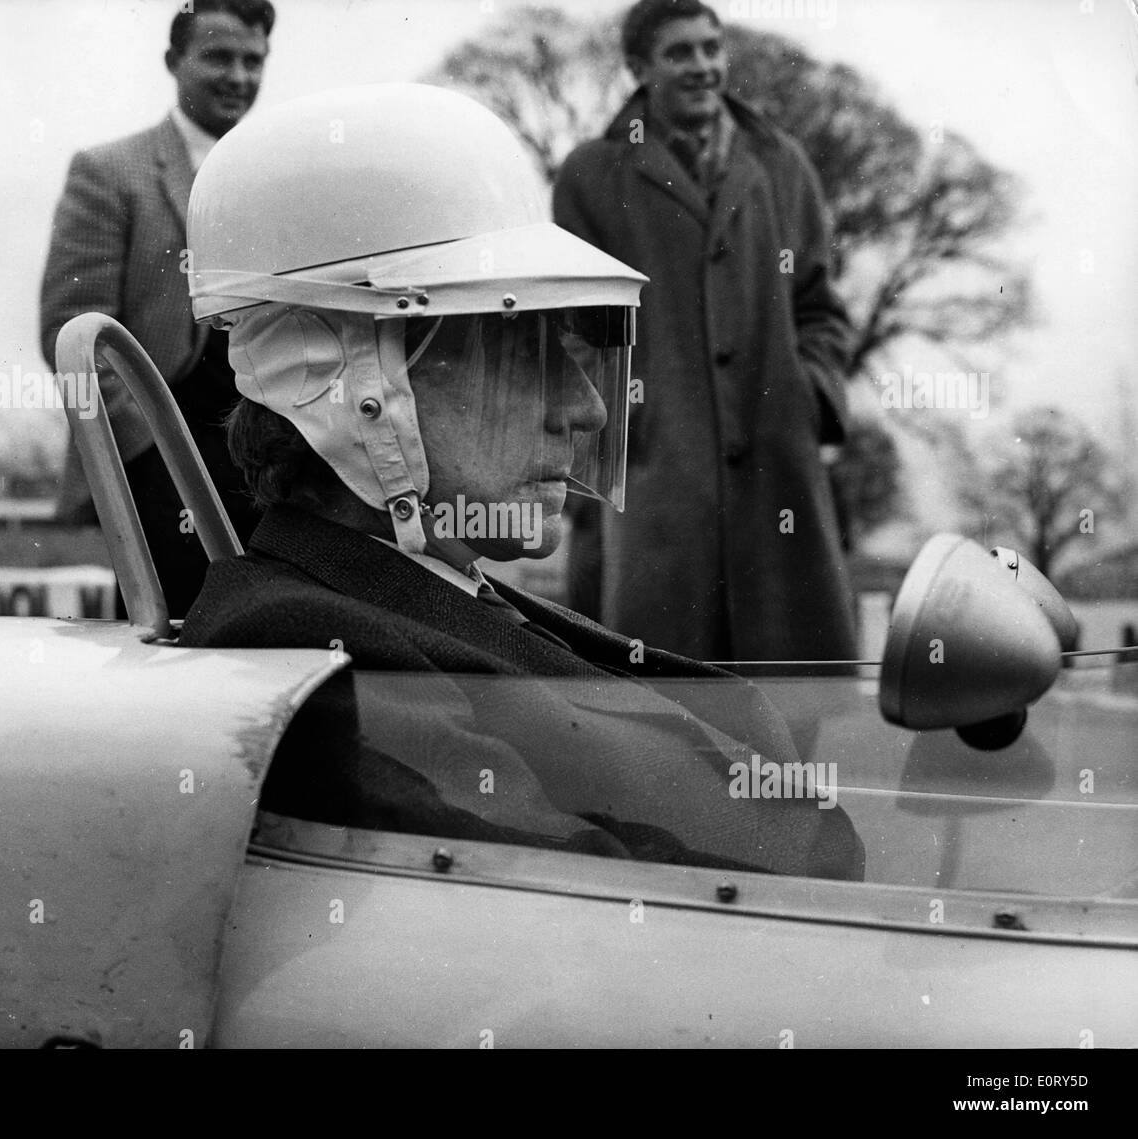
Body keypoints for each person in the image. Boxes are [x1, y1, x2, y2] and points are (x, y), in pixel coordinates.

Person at [176, 83, 863, 881]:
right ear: (355, 386)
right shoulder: (313, 650)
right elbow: (599, 927)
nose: (590, 407)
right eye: (519, 356)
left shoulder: (434, 584)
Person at [552, 0, 857, 662]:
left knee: (788, 708)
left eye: (712, 48)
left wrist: (807, 396)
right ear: (638, 67)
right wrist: (628, 416)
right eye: (680, 52)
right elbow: (570, 331)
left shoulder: (783, 165)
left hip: (778, 472)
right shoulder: (591, 174)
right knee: (657, 705)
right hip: (651, 479)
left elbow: (820, 306)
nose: (703, 66)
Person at [39, 0, 274, 616]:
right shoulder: (109, 173)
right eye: (218, 56)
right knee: (173, 643)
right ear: (174, 61)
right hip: (163, 452)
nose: (238, 77)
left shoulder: (278, 176)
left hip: (269, 451)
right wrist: (151, 455)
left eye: (253, 60)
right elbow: (71, 332)